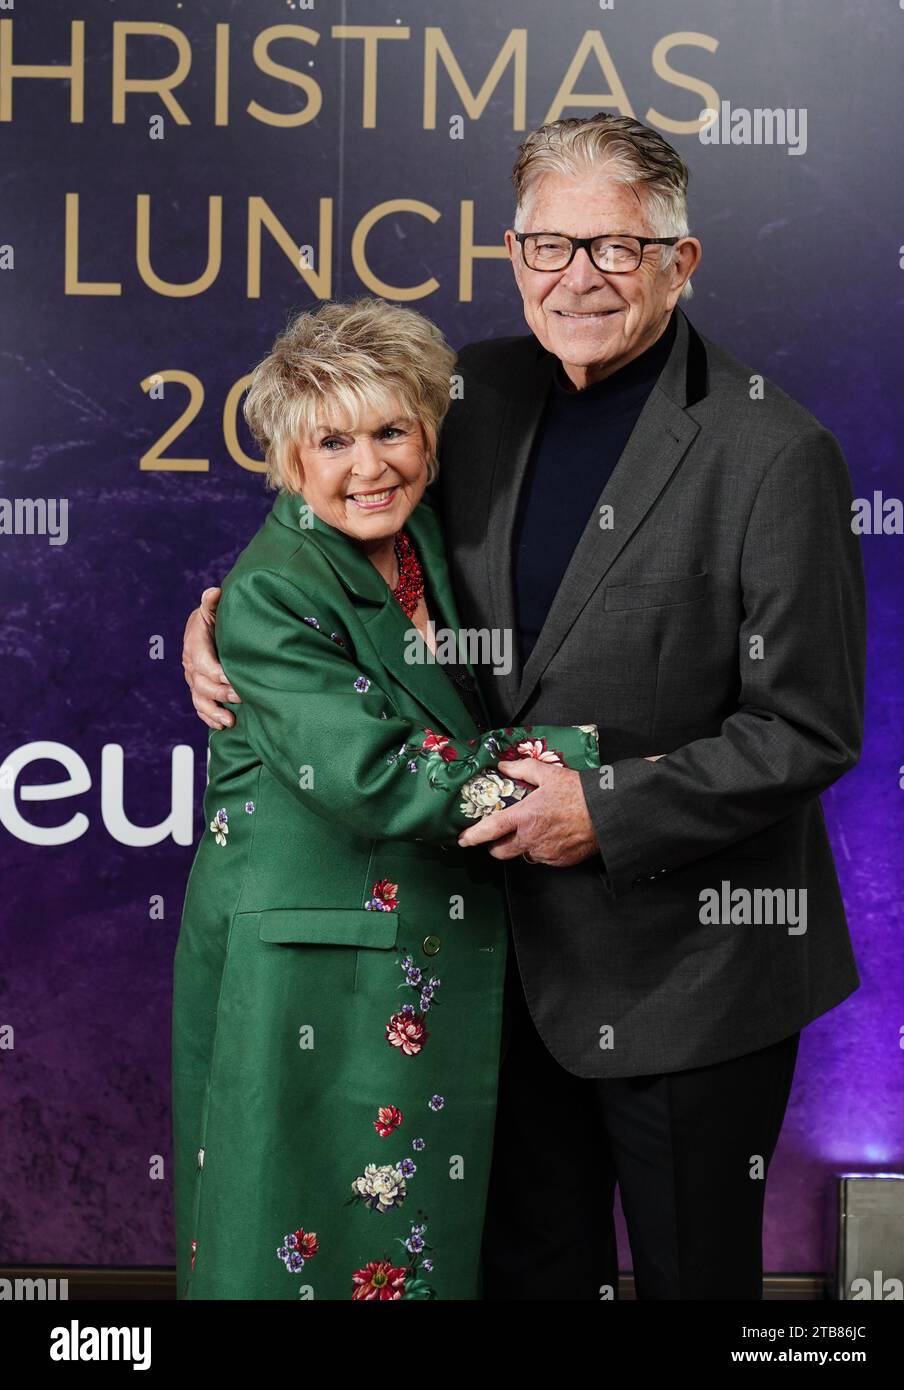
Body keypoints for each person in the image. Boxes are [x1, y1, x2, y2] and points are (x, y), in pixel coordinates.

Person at [183, 114, 866, 1300]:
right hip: (486, 962)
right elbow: (336, 535)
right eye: (550, 247)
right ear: (512, 255)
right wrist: (215, 623)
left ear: (678, 262)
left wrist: (607, 807)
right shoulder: (468, 392)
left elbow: (805, 726)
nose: (578, 279)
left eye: (613, 248)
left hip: (684, 973)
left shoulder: (772, 451)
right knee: (514, 1274)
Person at [171, 295, 599, 1300]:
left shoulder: (422, 547)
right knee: (283, 1242)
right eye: (331, 441)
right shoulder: (274, 591)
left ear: (428, 437)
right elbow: (382, 779)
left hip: (404, 957)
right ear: (286, 461)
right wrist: (586, 761)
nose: (369, 466)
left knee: (406, 1245)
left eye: (390, 431)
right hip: (302, 975)